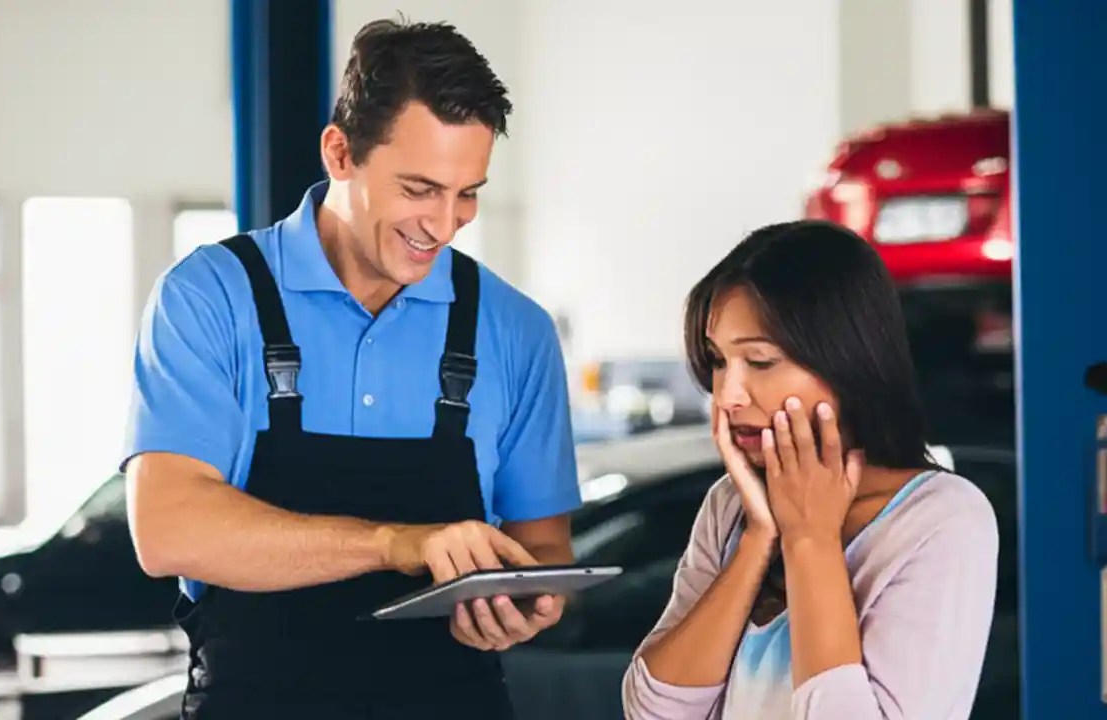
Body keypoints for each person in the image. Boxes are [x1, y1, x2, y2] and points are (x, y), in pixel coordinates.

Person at [120, 18, 581, 720]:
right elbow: (168, 530)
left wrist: (528, 601)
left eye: (467, 193)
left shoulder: (515, 330)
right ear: (339, 152)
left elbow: (543, 545)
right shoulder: (210, 298)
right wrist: (397, 544)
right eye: (419, 188)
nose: (445, 224)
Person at [622, 220, 998, 719]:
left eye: (760, 362)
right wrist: (759, 537)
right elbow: (653, 712)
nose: (728, 396)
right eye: (718, 361)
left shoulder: (942, 519)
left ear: (847, 362)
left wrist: (810, 539)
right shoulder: (732, 507)